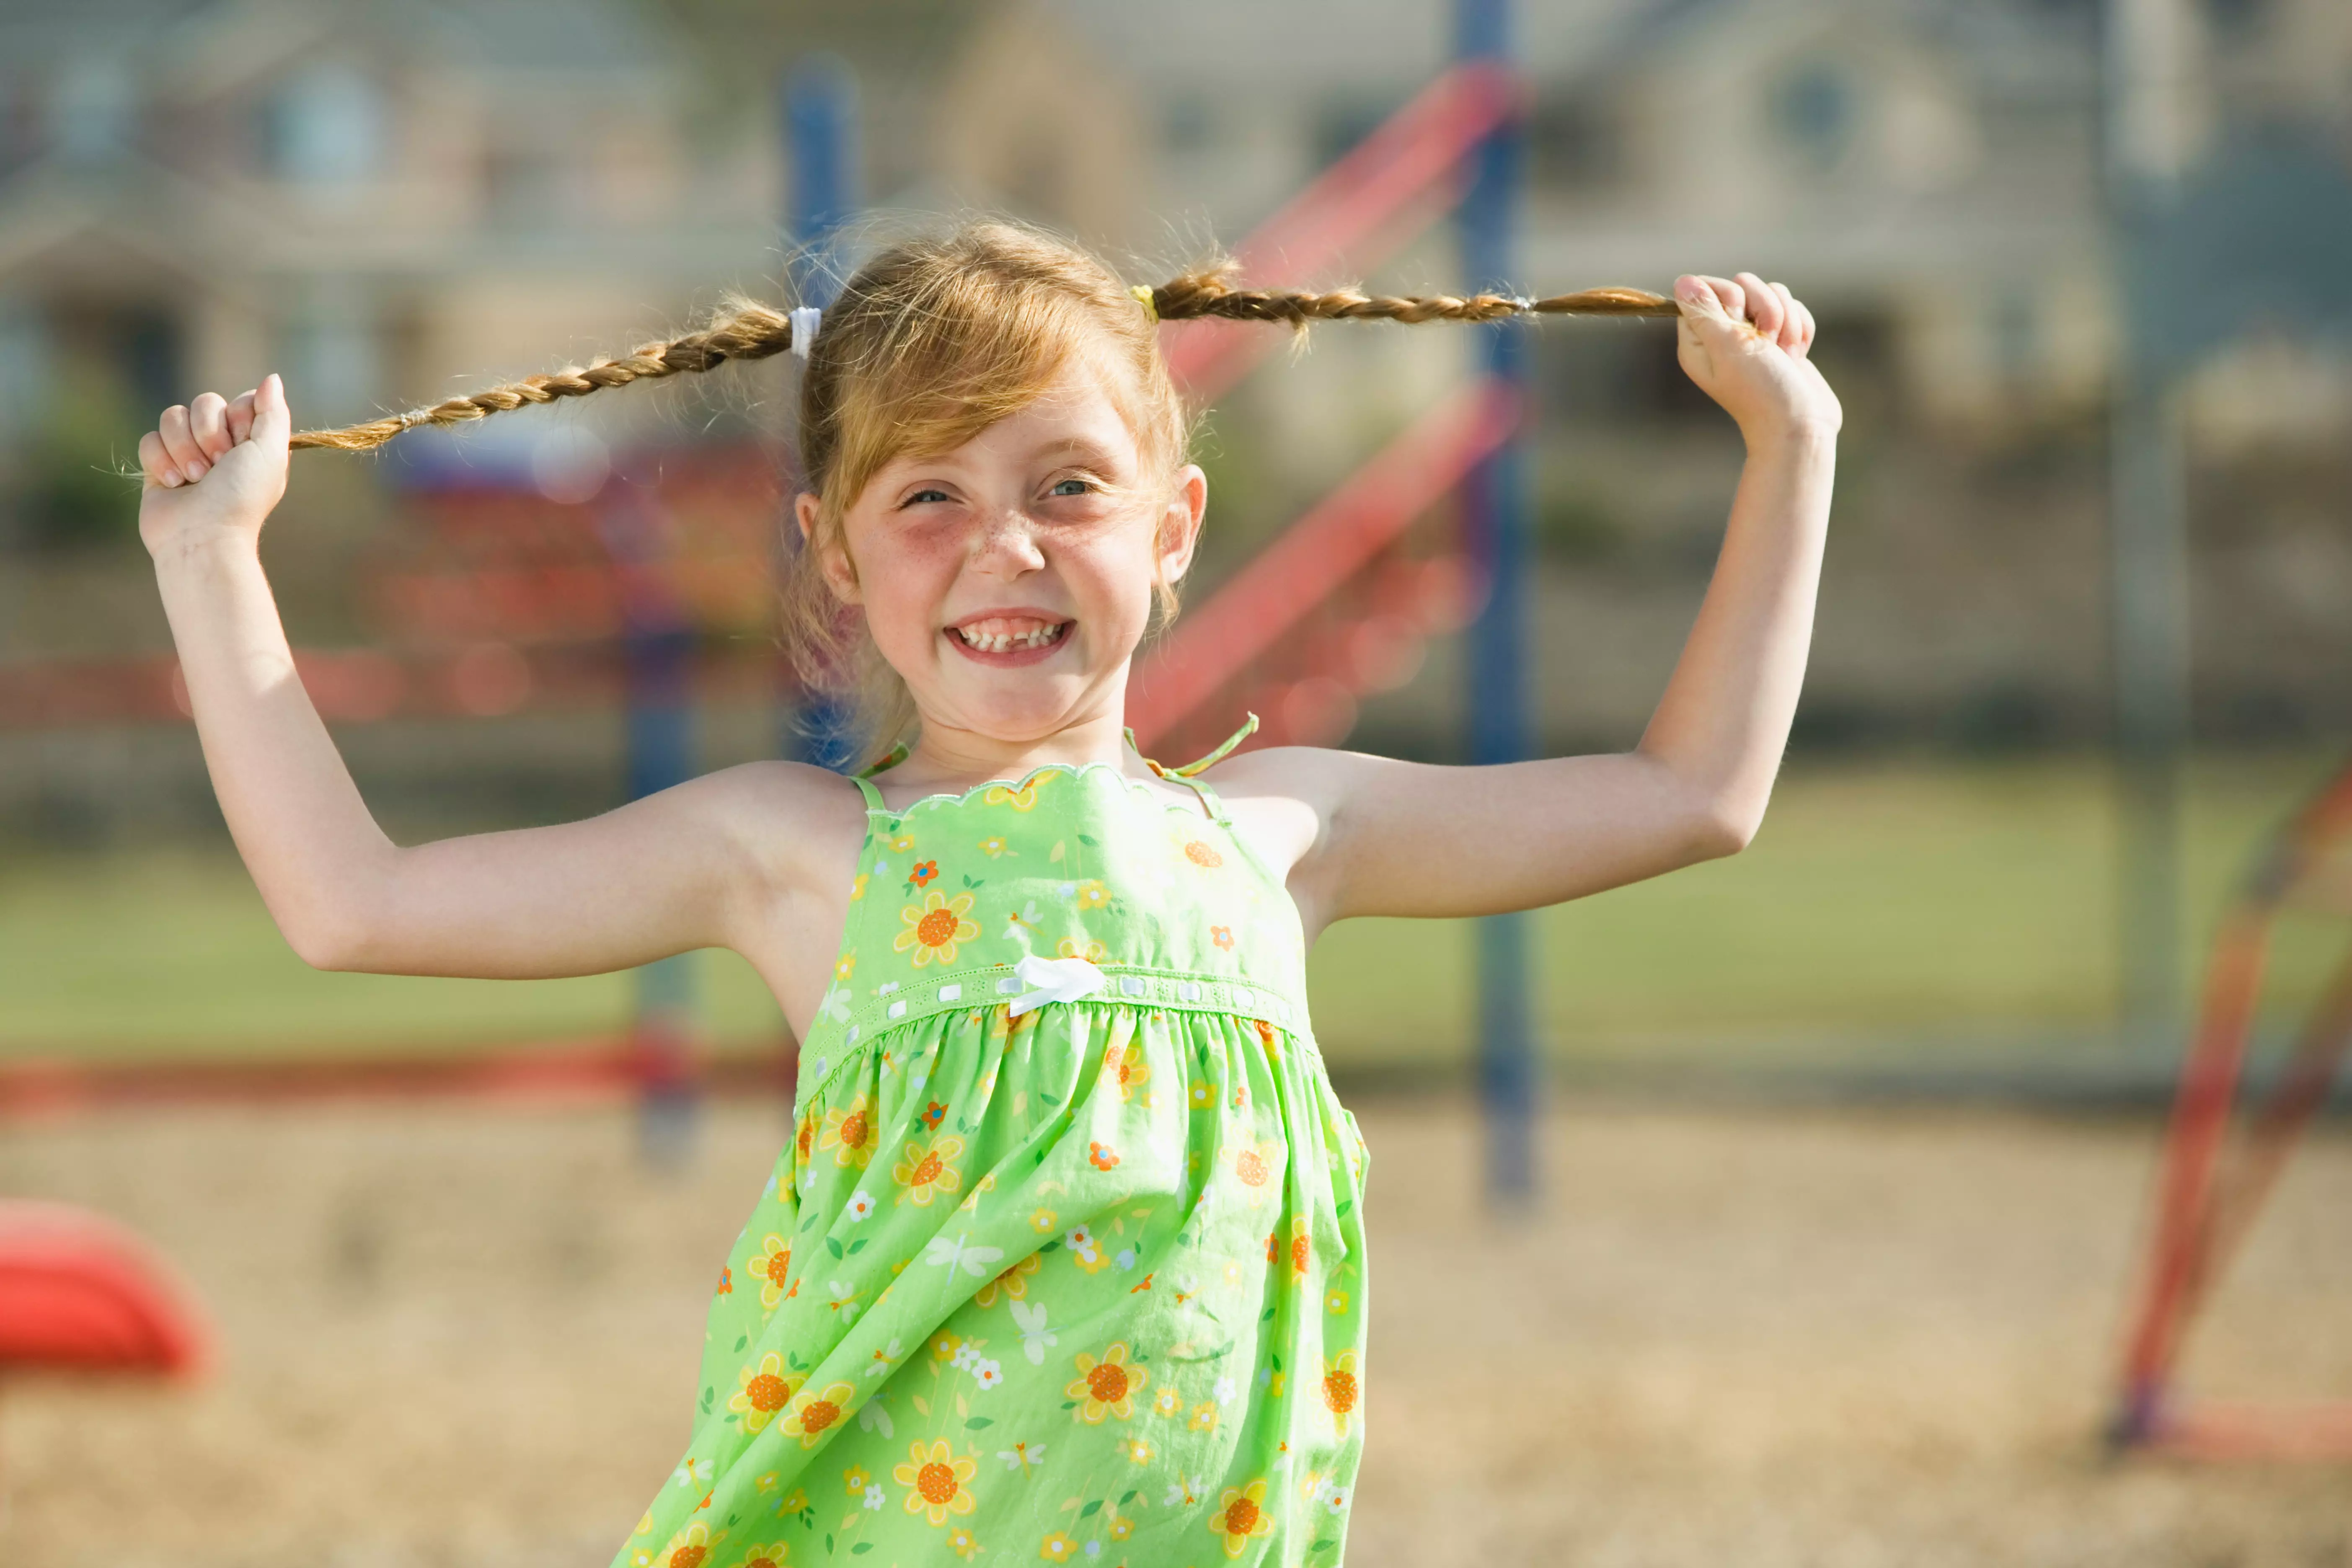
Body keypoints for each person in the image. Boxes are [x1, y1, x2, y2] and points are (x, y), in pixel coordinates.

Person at [134, 222, 1838, 1566]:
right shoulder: (799, 848)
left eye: (1066, 486)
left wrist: (1792, 448)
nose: (1003, 548)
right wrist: (212, 560)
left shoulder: (1286, 835)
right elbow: (353, 903)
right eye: (929, 498)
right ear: (835, 550)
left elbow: (1689, 796)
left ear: (1172, 526)